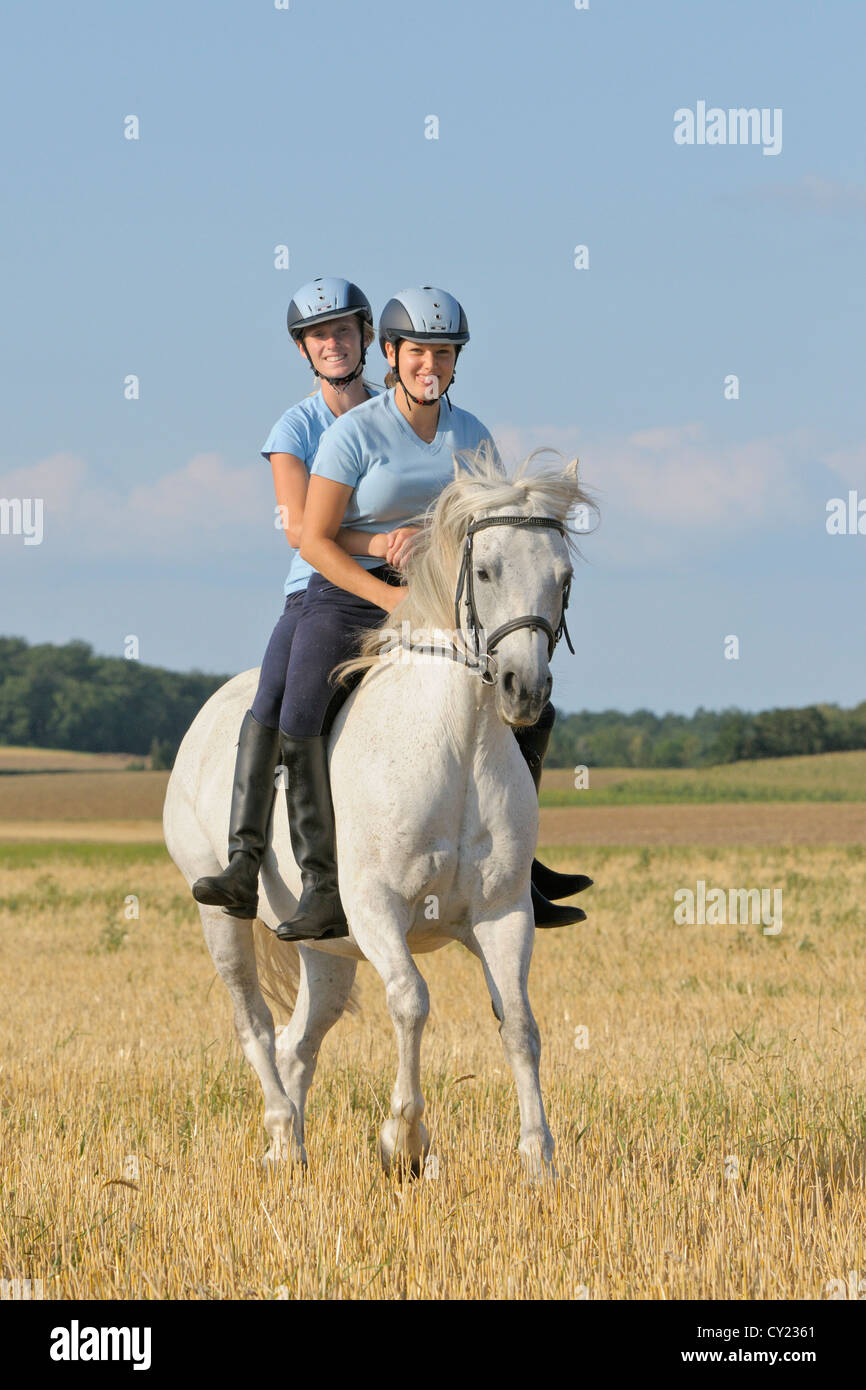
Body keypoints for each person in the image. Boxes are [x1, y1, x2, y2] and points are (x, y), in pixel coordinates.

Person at [274, 286, 589, 943]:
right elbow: (313, 539)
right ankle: (322, 882)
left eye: (444, 354)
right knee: (302, 705)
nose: (431, 364)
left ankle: (514, 863)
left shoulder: (471, 433)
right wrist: (387, 594)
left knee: (529, 700)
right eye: (419, 352)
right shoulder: (353, 432)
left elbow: (490, 528)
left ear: (454, 362)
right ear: (391, 354)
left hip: (444, 595)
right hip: (353, 589)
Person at [192, 276, 391, 919]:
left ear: (366, 338)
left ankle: (515, 862)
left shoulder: (399, 412)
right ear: (304, 351)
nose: (332, 344)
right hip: (318, 588)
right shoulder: (295, 425)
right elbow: (299, 530)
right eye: (317, 336)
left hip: (408, 585)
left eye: (342, 331)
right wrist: (386, 543)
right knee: (275, 698)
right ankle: (246, 859)